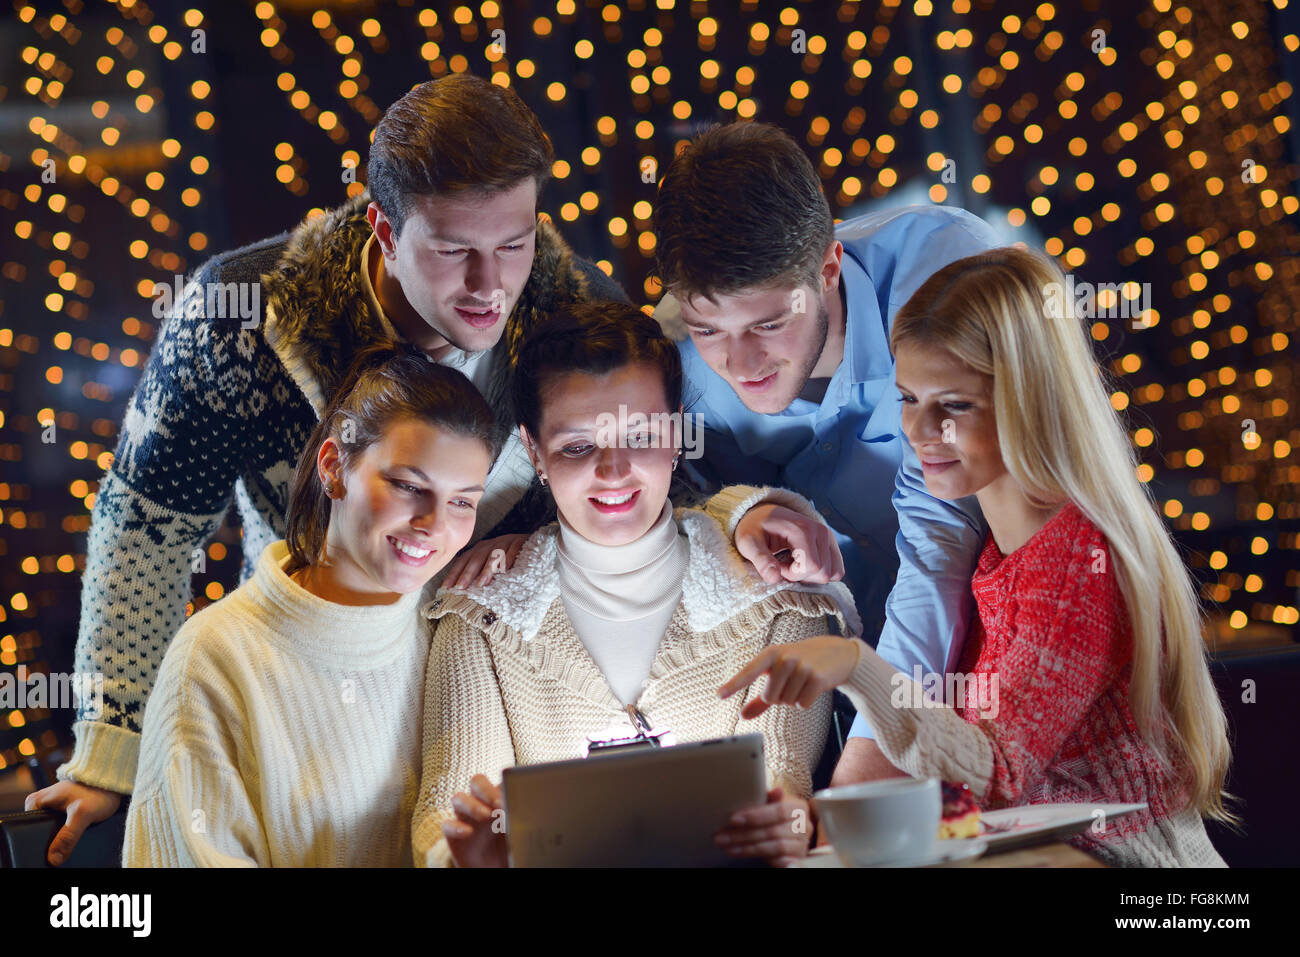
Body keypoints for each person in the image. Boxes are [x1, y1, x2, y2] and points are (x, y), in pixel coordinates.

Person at [32, 75, 820, 862]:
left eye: (514, 244)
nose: (490, 286)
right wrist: (114, 748)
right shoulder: (239, 314)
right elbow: (145, 524)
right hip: (311, 681)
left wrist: (740, 514)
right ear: (384, 228)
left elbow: (649, 476)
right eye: (453, 251)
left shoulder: (572, 304)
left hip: (488, 690)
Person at [718, 247, 1235, 868]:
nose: (919, 430)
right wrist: (814, 824)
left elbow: (998, 773)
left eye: (954, 406)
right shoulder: (988, 556)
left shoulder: (1078, 558)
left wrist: (857, 666)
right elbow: (964, 795)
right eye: (907, 398)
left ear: (1031, 400)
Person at [411, 302, 859, 868]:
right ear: (533, 451)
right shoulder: (480, 616)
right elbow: (445, 808)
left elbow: (787, 783)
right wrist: (463, 858)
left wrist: (791, 828)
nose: (614, 470)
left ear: (676, 434)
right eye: (577, 447)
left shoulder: (778, 601)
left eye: (641, 435)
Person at [651, 121, 1003, 788]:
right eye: (709, 329)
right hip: (810, 701)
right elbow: (667, 513)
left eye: (769, 323)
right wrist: (743, 514)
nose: (740, 362)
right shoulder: (672, 362)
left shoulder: (946, 275)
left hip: (1001, 653)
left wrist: (866, 774)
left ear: (829, 268)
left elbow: (941, 537)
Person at [123, 344, 500, 866]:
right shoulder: (215, 656)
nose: (434, 525)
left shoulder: (459, 624)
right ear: (333, 467)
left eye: (462, 501)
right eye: (409, 486)